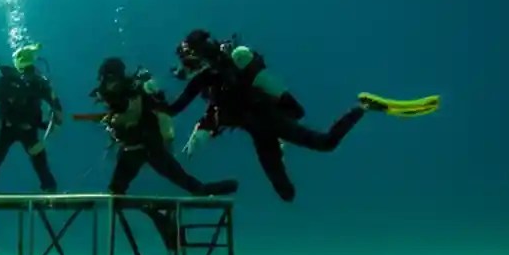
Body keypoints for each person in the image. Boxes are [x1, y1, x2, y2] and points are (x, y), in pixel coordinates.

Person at [166, 29, 439, 202]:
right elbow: (185, 106)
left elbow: (199, 103)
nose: (186, 68)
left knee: (325, 144)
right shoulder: (209, 79)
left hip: (269, 121)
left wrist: (203, 123)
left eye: (189, 61)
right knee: (286, 193)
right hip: (262, 130)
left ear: (199, 56)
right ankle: (362, 110)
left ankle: (363, 108)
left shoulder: (221, 72)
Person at [78, 57, 239, 248]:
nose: (108, 83)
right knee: (117, 192)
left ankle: (162, 216)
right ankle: (158, 216)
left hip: (148, 146)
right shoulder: (120, 93)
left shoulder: (135, 91)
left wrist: (116, 123)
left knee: (182, 182)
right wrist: (113, 123)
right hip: (135, 148)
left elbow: (135, 114)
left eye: (109, 78)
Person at [0, 43, 63, 193]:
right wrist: (56, 123)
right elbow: (55, 103)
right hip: (13, 127)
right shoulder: (18, 81)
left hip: (20, 127)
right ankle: (49, 187)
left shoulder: (36, 82)